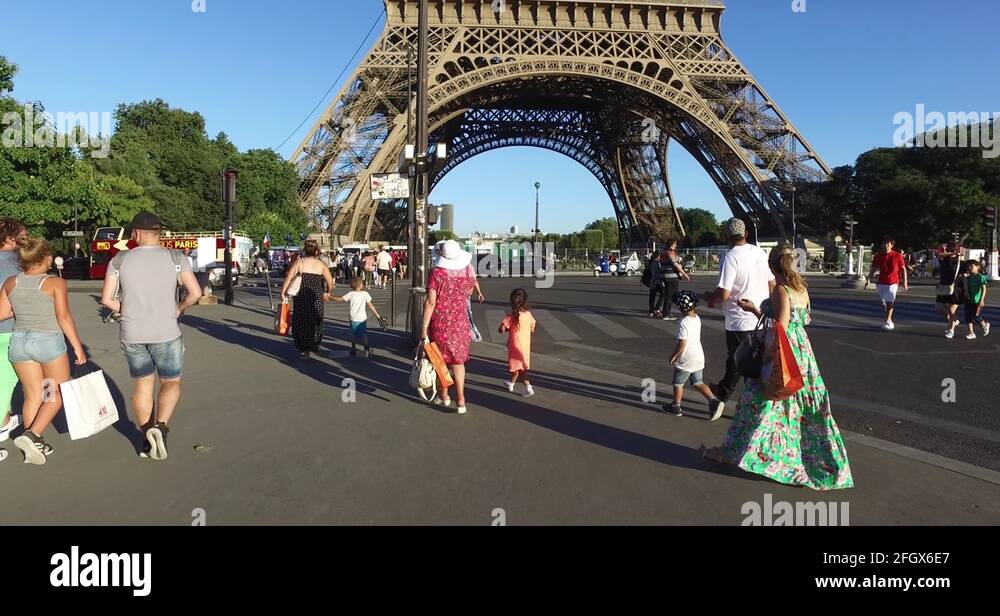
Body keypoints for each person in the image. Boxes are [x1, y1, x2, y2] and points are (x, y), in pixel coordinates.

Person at [701, 245, 854, 491]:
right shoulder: (801, 288)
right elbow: (803, 319)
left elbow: (779, 327)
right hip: (801, 352)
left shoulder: (782, 290)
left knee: (758, 401)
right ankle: (813, 462)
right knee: (799, 405)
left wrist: (754, 310)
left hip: (782, 353)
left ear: (773, 266)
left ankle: (734, 452)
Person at [100, 212, 203, 461]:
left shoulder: (120, 259)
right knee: (170, 382)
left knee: (143, 385)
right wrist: (178, 308)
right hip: (166, 331)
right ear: (159, 233)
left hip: (132, 333)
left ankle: (147, 437)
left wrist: (129, 310)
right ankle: (161, 425)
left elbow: (107, 299)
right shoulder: (176, 257)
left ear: (136, 233)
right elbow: (195, 293)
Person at [0, 237, 87, 464]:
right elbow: (64, 317)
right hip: (47, 343)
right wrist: (77, 347)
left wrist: (22, 307)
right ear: (47, 258)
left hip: (19, 342)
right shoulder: (54, 283)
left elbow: (2, 313)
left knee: (32, 395)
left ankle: (34, 443)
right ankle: (32, 434)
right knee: (55, 391)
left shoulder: (11, 282)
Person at [703, 218, 775, 404]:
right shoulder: (759, 253)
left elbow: (725, 293)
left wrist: (710, 297)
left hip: (738, 318)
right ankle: (727, 393)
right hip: (759, 316)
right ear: (746, 234)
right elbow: (771, 283)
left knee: (740, 362)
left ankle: (743, 400)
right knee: (752, 361)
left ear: (726, 236)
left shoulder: (731, 257)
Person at [421, 240, 478, 414]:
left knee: (440, 359)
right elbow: (469, 292)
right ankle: (461, 399)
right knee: (458, 362)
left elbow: (430, 302)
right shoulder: (467, 270)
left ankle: (445, 394)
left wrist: (424, 327)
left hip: (440, 321)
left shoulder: (437, 273)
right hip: (460, 321)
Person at [665, 291, 725, 420]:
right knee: (697, 382)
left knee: (678, 383)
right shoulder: (696, 318)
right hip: (698, 356)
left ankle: (676, 406)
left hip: (686, 358)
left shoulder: (683, 322)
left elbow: (682, 343)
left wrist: (674, 355)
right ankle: (714, 401)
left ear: (680, 307)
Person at [281, 239, 335, 360]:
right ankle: (313, 344)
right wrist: (327, 293)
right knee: (315, 320)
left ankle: (304, 349)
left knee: (301, 320)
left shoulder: (299, 262)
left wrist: (283, 292)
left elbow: (289, 278)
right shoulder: (322, 265)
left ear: (305, 251)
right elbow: (330, 282)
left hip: (301, 295)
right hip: (316, 296)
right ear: (316, 251)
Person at [0, 218, 26, 446]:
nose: (26, 239)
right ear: (9, 239)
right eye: (22, 236)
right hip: (9, 331)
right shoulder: (17, 265)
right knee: (6, 382)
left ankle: (7, 418)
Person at [499, 288, 537, 398]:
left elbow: (501, 330)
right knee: (518, 366)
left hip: (515, 345)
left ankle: (528, 388)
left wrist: (507, 328)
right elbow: (532, 328)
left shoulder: (511, 316)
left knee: (519, 369)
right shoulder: (528, 314)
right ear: (525, 301)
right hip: (525, 346)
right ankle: (511, 383)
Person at [332, 278, 383, 358]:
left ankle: (353, 348)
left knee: (353, 334)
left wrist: (330, 297)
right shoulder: (365, 294)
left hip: (353, 317)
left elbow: (340, 299)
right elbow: (370, 306)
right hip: (362, 318)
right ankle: (366, 348)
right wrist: (377, 314)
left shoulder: (351, 294)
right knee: (363, 333)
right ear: (360, 285)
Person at [871, 235, 908, 330]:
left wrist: (905, 282)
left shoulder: (897, 256)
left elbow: (903, 269)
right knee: (885, 303)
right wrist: (868, 279)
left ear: (891, 245)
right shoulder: (879, 256)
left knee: (889, 302)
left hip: (893, 282)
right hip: (882, 283)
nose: (886, 245)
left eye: (888, 243)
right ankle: (889, 319)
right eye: (884, 243)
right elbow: (874, 268)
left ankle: (887, 320)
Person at [660, 240, 692, 321]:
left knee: (668, 294)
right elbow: (676, 264)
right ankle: (666, 314)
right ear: (671, 245)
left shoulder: (663, 252)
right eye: (675, 244)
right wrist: (685, 274)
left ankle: (666, 312)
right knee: (671, 295)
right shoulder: (670, 252)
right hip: (671, 276)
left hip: (665, 276)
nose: (676, 246)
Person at [936, 242, 962, 339]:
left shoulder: (959, 260)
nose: (952, 251)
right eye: (950, 249)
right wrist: (950, 254)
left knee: (952, 310)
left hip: (955, 287)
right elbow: (939, 255)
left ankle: (951, 329)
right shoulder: (944, 258)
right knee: (938, 308)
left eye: (954, 249)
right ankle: (952, 322)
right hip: (943, 285)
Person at [960, 260, 990, 340]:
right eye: (968, 267)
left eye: (972, 266)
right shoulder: (968, 277)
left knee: (976, 316)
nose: (970, 268)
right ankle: (971, 333)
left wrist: (982, 300)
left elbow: (984, 289)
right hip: (968, 300)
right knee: (968, 317)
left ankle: (984, 324)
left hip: (977, 301)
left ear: (978, 267)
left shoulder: (980, 277)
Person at [647, 253, 665, 318]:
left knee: (652, 297)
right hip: (656, 282)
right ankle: (656, 308)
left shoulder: (651, 262)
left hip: (653, 282)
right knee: (663, 293)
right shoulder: (655, 262)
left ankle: (651, 311)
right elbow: (655, 272)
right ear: (657, 256)